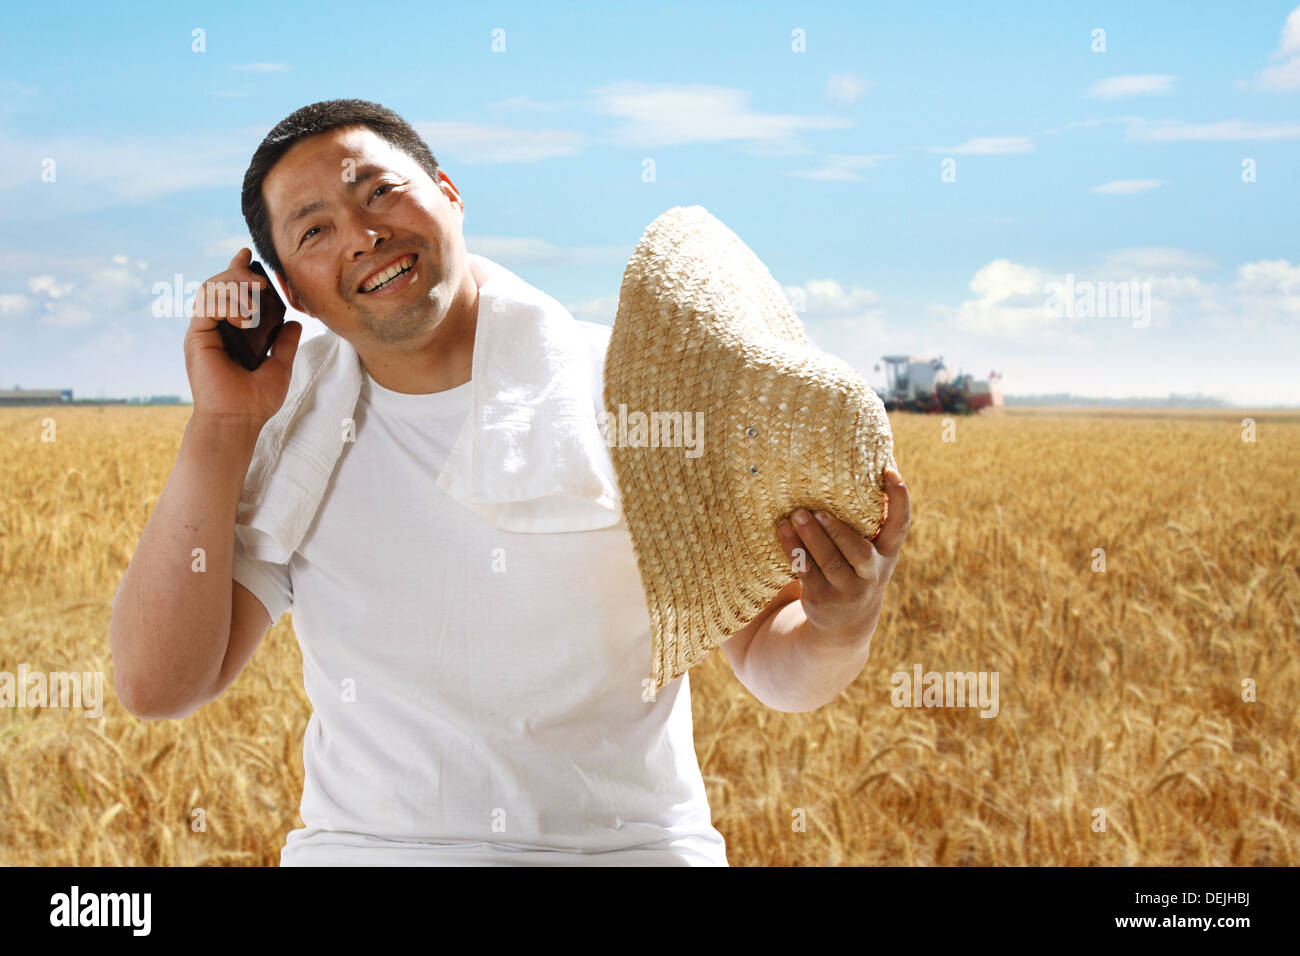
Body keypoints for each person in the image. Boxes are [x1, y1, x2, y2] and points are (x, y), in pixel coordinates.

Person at [108, 99, 910, 866]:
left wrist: (841, 623)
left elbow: (773, 662)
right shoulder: (290, 422)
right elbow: (159, 685)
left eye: (380, 190)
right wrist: (221, 426)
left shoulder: (640, 391)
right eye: (314, 229)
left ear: (449, 195)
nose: (362, 233)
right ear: (288, 290)